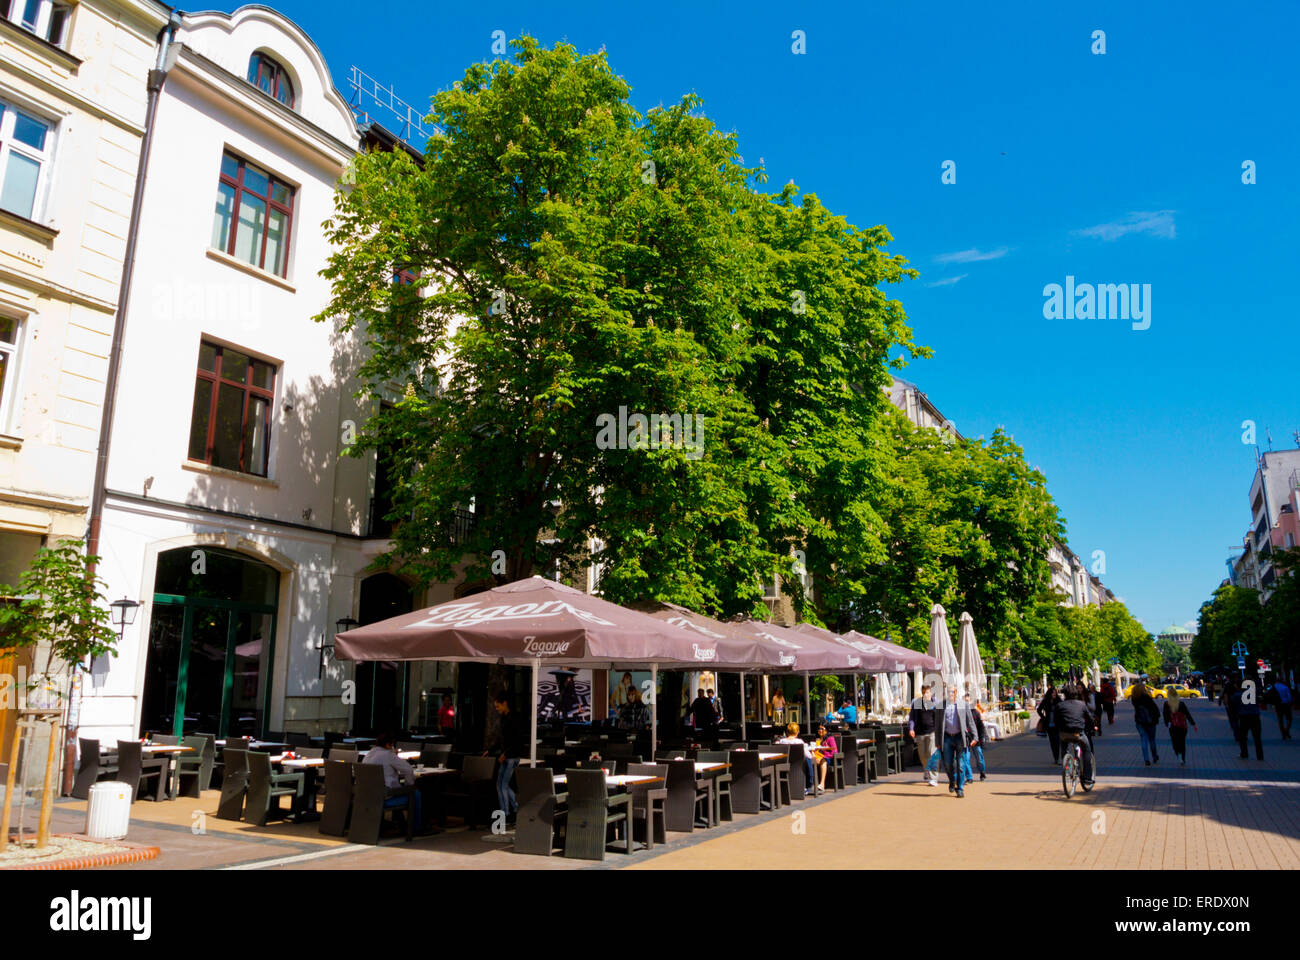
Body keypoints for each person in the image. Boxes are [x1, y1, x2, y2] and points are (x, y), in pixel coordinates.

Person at [364, 732, 430, 834]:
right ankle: (415, 827)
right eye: (392, 745)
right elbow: (408, 770)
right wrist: (409, 785)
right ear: (388, 745)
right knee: (415, 793)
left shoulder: (369, 755)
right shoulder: (388, 755)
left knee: (398, 789)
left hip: (369, 796)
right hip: (384, 798)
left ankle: (401, 824)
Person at [483, 691, 526, 824]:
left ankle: (506, 813)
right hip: (508, 755)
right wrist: (491, 750)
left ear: (505, 704)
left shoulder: (512, 719)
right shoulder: (507, 718)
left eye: (498, 706)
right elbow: (503, 738)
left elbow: (516, 740)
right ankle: (515, 809)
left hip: (510, 756)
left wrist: (505, 753)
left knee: (501, 784)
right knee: (503, 784)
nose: (497, 709)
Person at [938, 685, 980, 798]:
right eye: (948, 691)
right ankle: (952, 781)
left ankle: (960, 788)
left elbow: (970, 722)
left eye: (952, 691)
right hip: (947, 737)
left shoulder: (963, 704)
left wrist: (975, 737)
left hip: (960, 738)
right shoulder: (941, 705)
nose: (949, 693)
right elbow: (938, 725)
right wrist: (937, 741)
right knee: (947, 764)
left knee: (961, 765)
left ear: (956, 692)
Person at [1053, 683, 1096, 785]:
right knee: (1087, 750)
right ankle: (1087, 777)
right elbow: (1090, 718)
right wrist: (1093, 726)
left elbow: (1056, 720)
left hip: (1064, 733)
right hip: (1078, 733)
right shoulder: (1081, 704)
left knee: (1063, 745)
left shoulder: (1059, 705)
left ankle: (1067, 766)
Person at [908, 683, 939, 786]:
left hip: (932, 732)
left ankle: (933, 777)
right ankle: (927, 770)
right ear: (922, 693)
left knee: (932, 753)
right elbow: (912, 717)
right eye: (925, 692)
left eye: (928, 692)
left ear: (931, 692)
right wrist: (911, 728)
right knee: (922, 755)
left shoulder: (934, 703)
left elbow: (939, 718)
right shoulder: (917, 703)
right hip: (920, 733)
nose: (927, 694)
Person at [777, 722, 816, 795]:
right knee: (809, 760)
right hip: (799, 766)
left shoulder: (782, 741)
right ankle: (809, 784)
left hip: (785, 764)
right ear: (797, 732)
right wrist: (812, 754)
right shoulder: (799, 742)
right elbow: (808, 755)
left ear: (787, 732)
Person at [1233, 673, 1264, 761]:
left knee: (1243, 737)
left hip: (1244, 717)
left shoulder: (1239, 693)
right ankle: (1260, 755)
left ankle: (1244, 753)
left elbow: (1234, 701)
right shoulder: (1256, 692)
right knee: (1257, 737)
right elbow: (1261, 700)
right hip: (1255, 716)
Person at [1162, 689, 1197, 765]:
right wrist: (1193, 724)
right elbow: (1187, 714)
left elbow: (1165, 715)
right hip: (1183, 726)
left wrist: (1166, 723)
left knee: (1175, 743)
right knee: (1182, 743)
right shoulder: (1181, 703)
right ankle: (1183, 759)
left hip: (1173, 726)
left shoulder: (1166, 704)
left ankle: (1179, 756)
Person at [1130, 680, 1161, 766]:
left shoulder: (1134, 699)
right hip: (1150, 721)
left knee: (1143, 739)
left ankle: (1146, 759)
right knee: (1152, 739)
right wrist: (1157, 717)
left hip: (1139, 721)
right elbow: (1155, 708)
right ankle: (1154, 756)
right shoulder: (1146, 697)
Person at [964, 694, 987, 782]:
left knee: (979, 758)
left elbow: (981, 727)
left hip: (976, 738)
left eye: (968, 701)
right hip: (966, 739)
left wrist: (981, 739)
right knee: (966, 758)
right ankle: (969, 777)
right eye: (965, 701)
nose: (966, 702)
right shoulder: (961, 712)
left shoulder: (976, 713)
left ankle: (982, 772)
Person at [1037, 684, 1062, 764]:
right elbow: (1039, 710)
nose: (1054, 694)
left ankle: (1057, 757)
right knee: (1052, 741)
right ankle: (1055, 758)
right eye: (1053, 693)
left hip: (1057, 723)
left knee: (1057, 741)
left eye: (1055, 693)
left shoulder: (1058, 700)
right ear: (1050, 694)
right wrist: (1043, 717)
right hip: (1048, 723)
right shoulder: (1045, 701)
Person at [810, 723, 837, 794]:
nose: (820, 730)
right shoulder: (817, 739)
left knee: (823, 761)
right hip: (817, 757)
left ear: (827, 730)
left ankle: (822, 784)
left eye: (822, 729)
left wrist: (824, 755)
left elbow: (834, 751)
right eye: (819, 728)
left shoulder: (830, 739)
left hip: (829, 758)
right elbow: (814, 749)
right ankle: (810, 784)